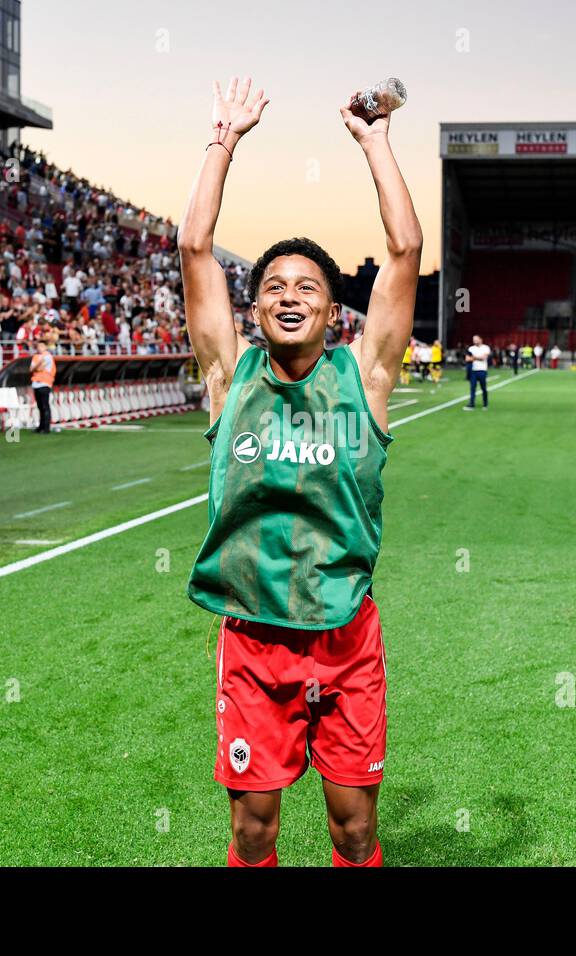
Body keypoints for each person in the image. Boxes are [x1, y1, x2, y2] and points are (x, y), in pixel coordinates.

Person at [180, 75, 421, 868]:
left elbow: (405, 251)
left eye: (307, 288)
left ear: (331, 313)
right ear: (254, 311)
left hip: (346, 635)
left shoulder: (367, 379)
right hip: (253, 641)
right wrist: (224, 140)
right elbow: (194, 249)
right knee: (255, 831)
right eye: (274, 287)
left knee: (353, 829)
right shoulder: (230, 375)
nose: (289, 296)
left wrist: (373, 141)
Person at [29, 338, 56, 433]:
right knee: (40, 406)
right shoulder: (36, 357)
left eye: (41, 346)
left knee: (45, 406)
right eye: (38, 346)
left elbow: (39, 367)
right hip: (36, 383)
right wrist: (38, 365)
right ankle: (41, 427)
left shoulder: (48, 356)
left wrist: (37, 366)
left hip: (45, 383)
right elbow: (32, 369)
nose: (39, 348)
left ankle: (46, 428)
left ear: (45, 347)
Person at [464, 334, 491, 409]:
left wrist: (473, 357)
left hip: (482, 370)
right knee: (472, 388)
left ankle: (485, 403)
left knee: (483, 388)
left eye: (476, 339)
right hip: (473, 371)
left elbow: (484, 358)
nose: (474, 341)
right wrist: (477, 357)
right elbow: (467, 359)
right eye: (473, 339)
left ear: (480, 339)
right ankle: (471, 404)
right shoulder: (471, 348)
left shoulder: (486, 347)